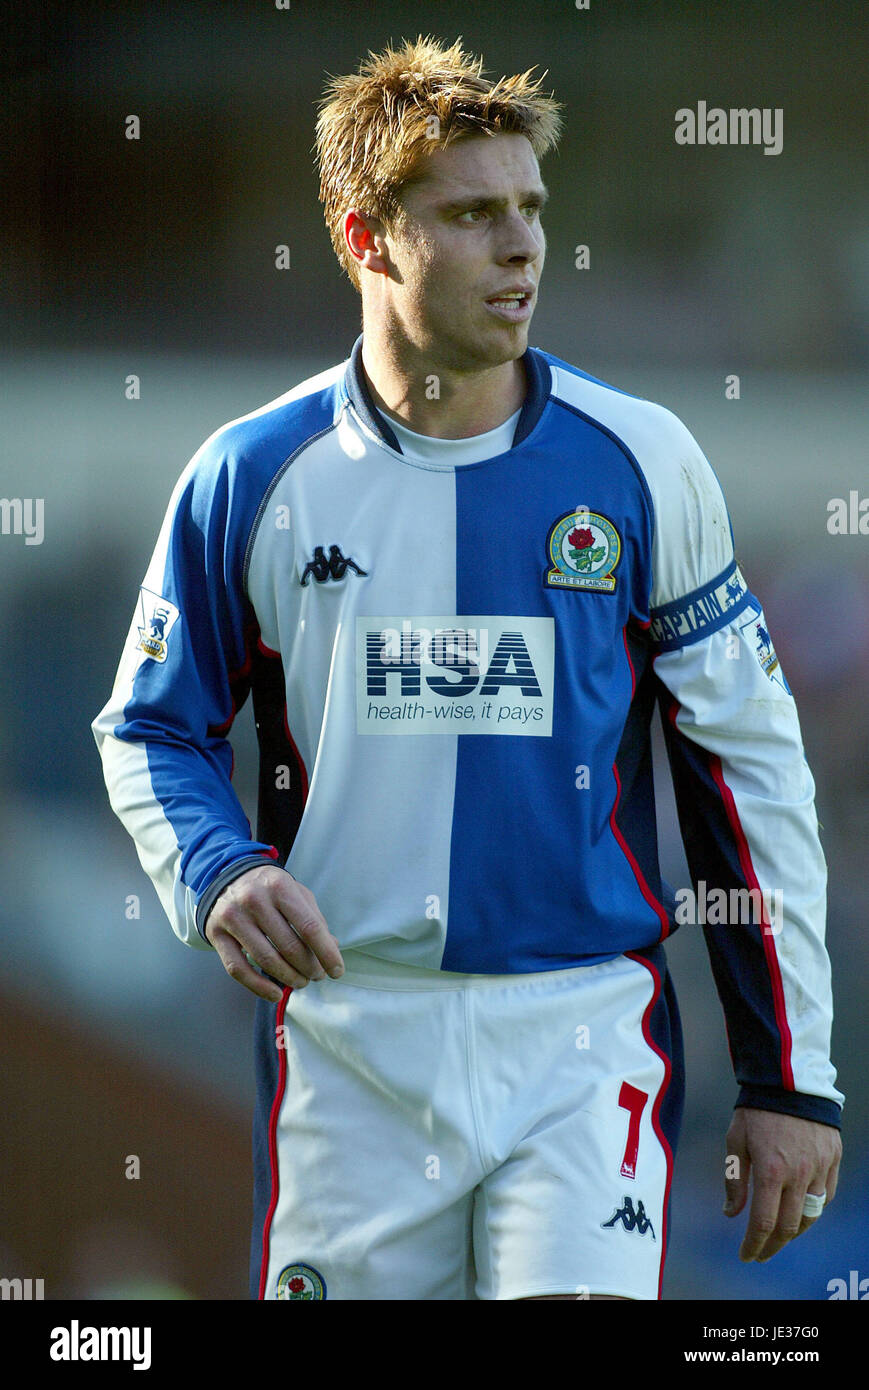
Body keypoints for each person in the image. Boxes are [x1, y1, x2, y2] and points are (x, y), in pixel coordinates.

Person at [92, 35, 842, 1302]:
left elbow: (747, 779)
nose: (522, 246)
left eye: (530, 210)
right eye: (472, 212)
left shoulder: (642, 461)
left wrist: (788, 1077)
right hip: (352, 1048)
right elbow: (149, 729)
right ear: (364, 237)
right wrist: (220, 869)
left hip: (581, 1035)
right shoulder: (250, 474)